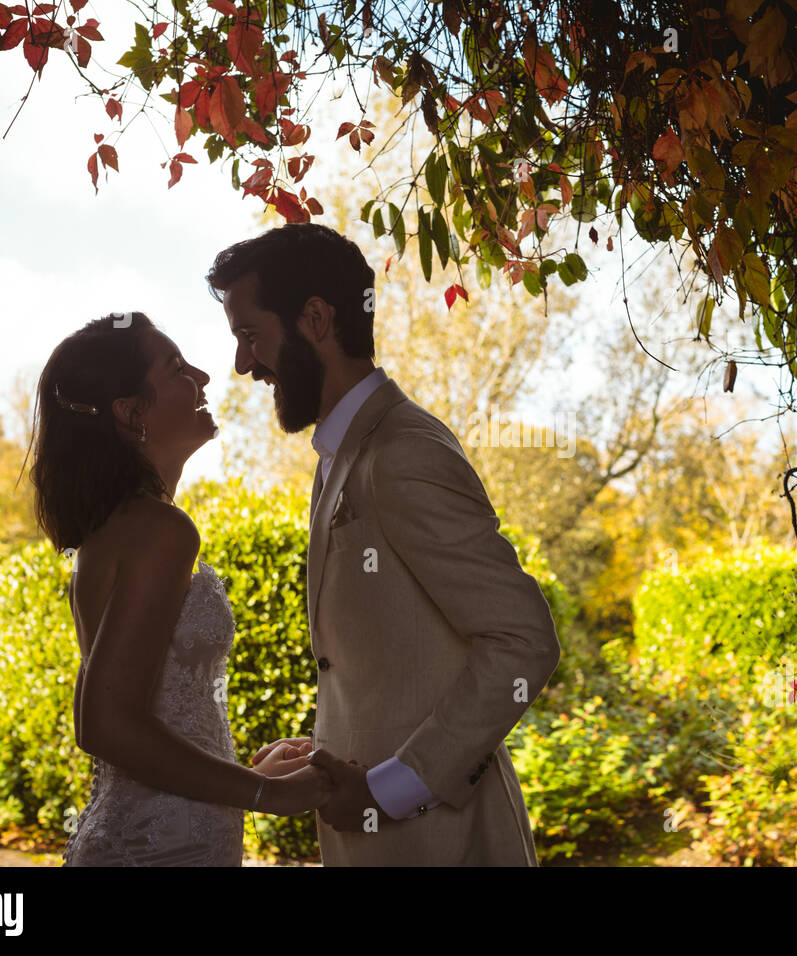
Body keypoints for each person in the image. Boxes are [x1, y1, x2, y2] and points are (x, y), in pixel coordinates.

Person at [207, 223, 562, 865]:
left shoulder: (402, 452)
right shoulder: (342, 453)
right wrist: (326, 744)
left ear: (315, 318)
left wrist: (387, 790)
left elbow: (523, 640)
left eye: (250, 335)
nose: (243, 364)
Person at [24, 312, 332, 866]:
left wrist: (246, 774)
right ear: (130, 411)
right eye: (176, 369)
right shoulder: (159, 532)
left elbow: (120, 711)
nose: (204, 377)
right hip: (159, 850)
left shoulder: (114, 532)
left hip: (156, 836)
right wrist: (269, 793)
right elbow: (105, 725)